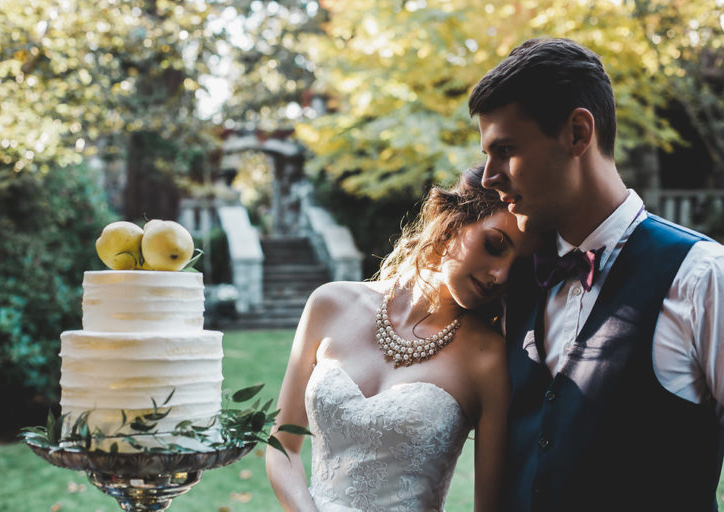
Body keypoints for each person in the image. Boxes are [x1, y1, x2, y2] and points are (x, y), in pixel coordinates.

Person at [468, 37, 724, 512]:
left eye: (505, 149)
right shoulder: (511, 277)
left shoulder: (702, 275)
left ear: (577, 134)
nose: (489, 176)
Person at [265, 167, 536, 511]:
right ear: (453, 220)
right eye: (495, 245)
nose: (500, 274)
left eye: (518, 267)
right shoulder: (328, 304)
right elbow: (282, 446)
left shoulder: (487, 358)